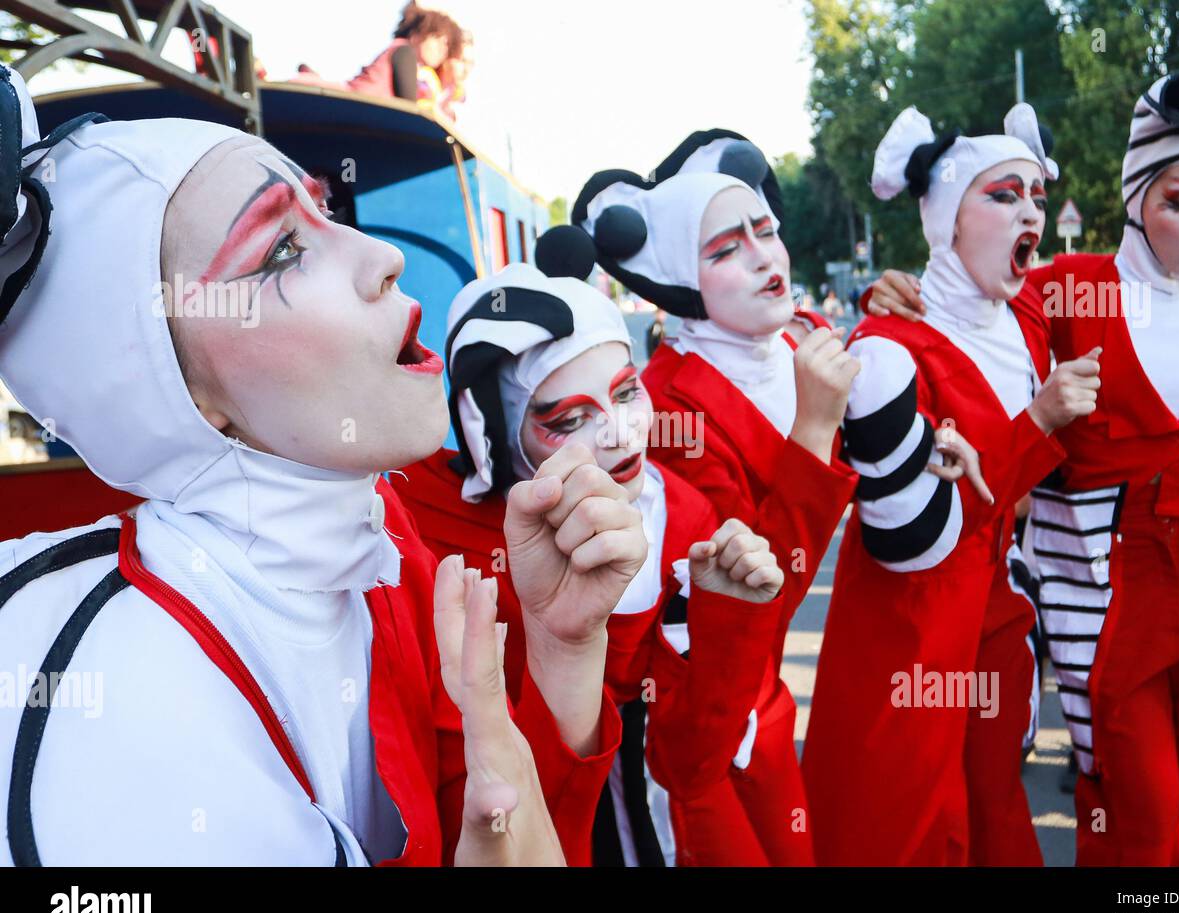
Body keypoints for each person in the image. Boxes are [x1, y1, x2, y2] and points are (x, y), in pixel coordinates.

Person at [0, 64, 640, 866]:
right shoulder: (118, 704)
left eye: (326, 211)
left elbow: (494, 819)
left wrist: (564, 651)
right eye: (280, 250)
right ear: (175, 391)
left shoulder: (377, 537)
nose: (381, 257)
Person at [867, 74, 1179, 866]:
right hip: (1105, 587)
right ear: (1136, 194)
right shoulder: (1067, 289)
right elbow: (967, 311)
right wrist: (895, 291)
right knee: (1140, 813)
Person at [400, 228, 794, 865]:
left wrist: (728, 620)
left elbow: (692, 761)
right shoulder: (432, 531)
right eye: (566, 419)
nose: (618, 432)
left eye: (627, 391)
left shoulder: (682, 513)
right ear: (492, 436)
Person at [801, 103, 1100, 866]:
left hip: (998, 611)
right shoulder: (890, 342)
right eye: (1002, 195)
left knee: (995, 804)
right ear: (945, 220)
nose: (1029, 211)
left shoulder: (1026, 313)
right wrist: (1035, 423)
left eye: (1035, 195)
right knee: (906, 819)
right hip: (913, 629)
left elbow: (1133, 281)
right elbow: (910, 532)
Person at [573, 130, 861, 864]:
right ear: (677, 281)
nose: (766, 256)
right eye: (726, 249)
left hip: (764, 710)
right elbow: (749, 600)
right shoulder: (668, 409)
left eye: (766, 229)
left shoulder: (790, 344)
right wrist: (815, 432)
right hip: (699, 728)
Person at [347, 3, 464, 110]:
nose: (442, 49)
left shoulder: (406, 55)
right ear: (417, 34)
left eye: (446, 45)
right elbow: (410, 108)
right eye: (437, 39)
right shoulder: (405, 52)